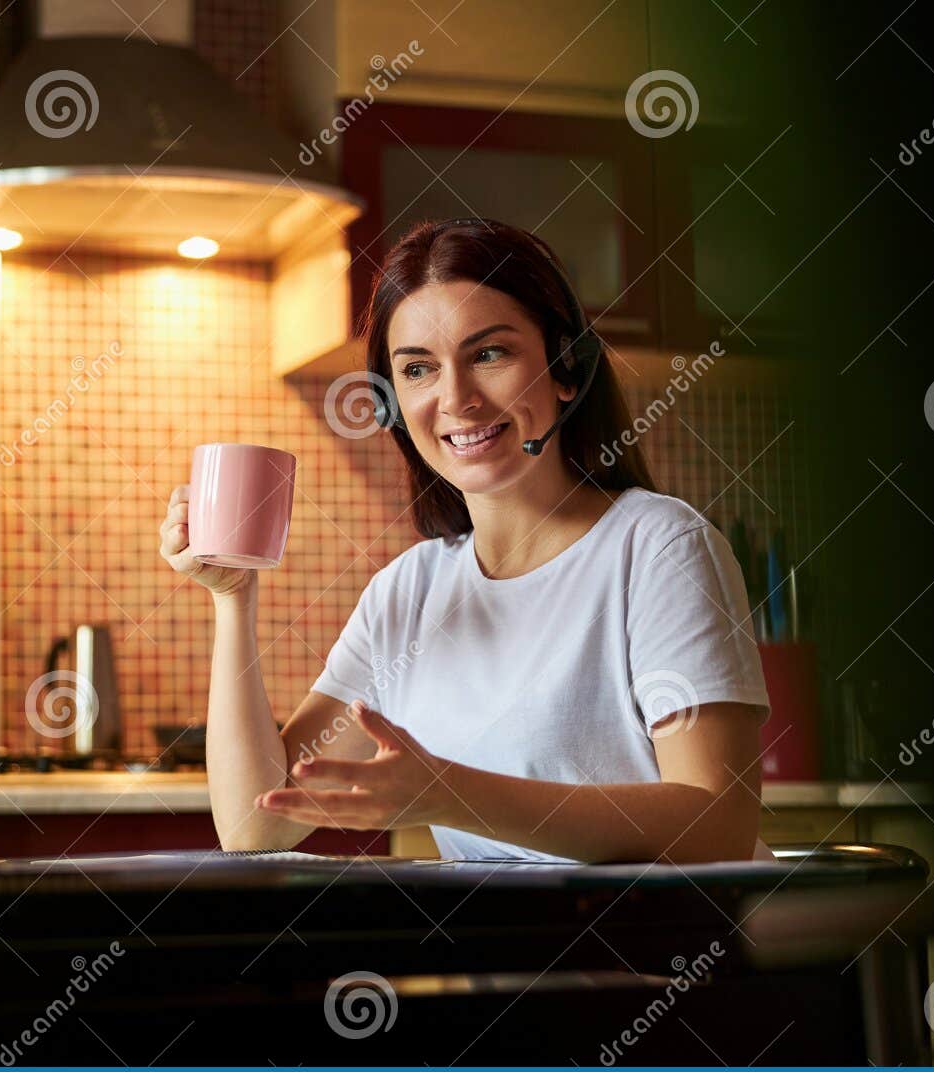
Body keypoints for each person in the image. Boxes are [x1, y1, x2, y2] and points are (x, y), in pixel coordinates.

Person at [158, 218, 771, 863]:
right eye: (418, 369)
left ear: (565, 368)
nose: (457, 399)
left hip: (664, 931)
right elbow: (255, 826)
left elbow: (720, 825)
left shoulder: (659, 549)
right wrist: (233, 597)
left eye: (489, 355)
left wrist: (450, 794)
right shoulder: (407, 593)